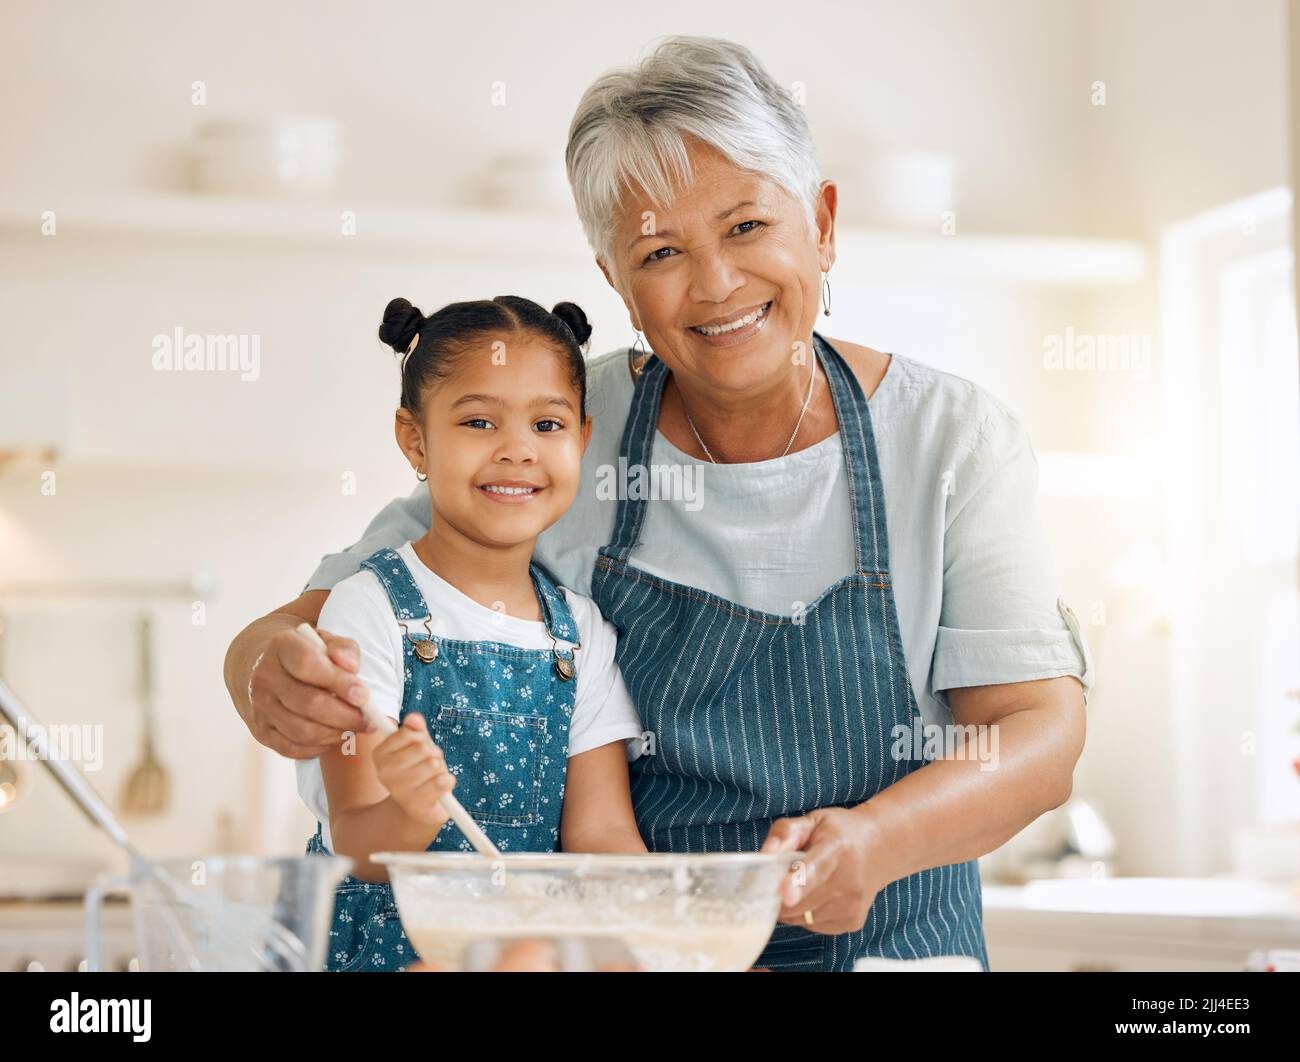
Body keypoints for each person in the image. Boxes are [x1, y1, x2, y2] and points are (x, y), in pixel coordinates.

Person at [225, 36, 1092, 972]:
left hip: (894, 949)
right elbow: (295, 635)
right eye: (662, 250)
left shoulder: (951, 440)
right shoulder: (560, 429)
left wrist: (878, 841)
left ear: (824, 222)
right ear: (615, 280)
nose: (716, 284)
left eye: (749, 227)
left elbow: (1038, 733)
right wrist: (266, 679)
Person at [300, 294, 647, 971]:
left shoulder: (581, 634)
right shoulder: (365, 610)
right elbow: (357, 845)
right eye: (480, 421)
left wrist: (667, 935)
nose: (517, 450)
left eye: (547, 424)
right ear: (415, 440)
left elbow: (602, 835)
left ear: (581, 439)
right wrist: (412, 810)